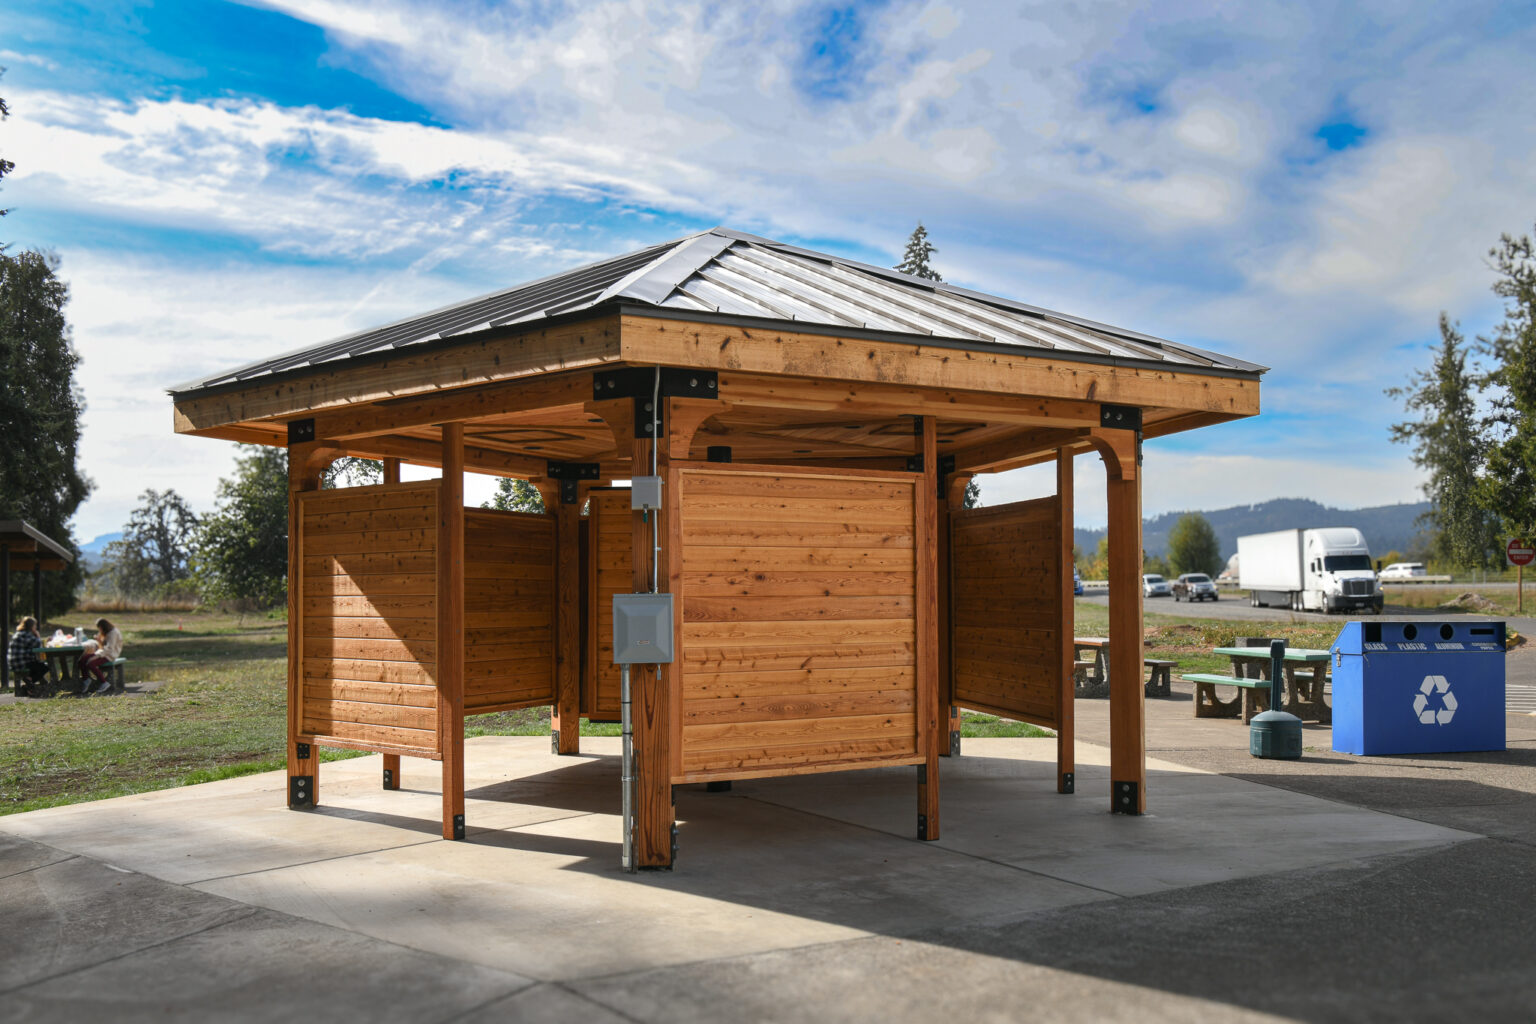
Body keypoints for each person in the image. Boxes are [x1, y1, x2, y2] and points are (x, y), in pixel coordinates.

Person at [78, 617, 123, 696]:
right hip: (104, 652)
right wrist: (99, 640)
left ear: (103, 626)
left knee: (91, 663)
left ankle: (104, 682)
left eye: (99, 628)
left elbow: (109, 649)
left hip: (110, 655)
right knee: (83, 659)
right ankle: (86, 679)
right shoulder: (108, 632)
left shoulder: (113, 633)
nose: (99, 629)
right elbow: (104, 646)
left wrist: (96, 656)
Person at [7, 617, 50, 698]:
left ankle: (29, 684)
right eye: (35, 626)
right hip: (22, 663)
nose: (36, 628)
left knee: (38, 666)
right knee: (46, 666)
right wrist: (37, 635)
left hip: (14, 662)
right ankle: (29, 681)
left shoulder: (18, 633)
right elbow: (38, 645)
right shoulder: (26, 634)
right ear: (31, 626)